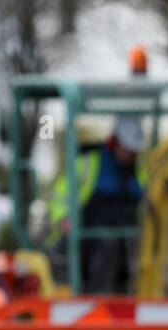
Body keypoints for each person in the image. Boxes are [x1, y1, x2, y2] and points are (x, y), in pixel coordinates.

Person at [46, 115, 147, 293]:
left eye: (133, 150)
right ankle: (99, 298)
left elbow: (147, 207)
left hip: (128, 236)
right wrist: (63, 218)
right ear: (115, 142)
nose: (129, 154)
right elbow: (60, 196)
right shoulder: (88, 164)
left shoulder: (139, 173)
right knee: (108, 244)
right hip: (90, 235)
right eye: (127, 149)